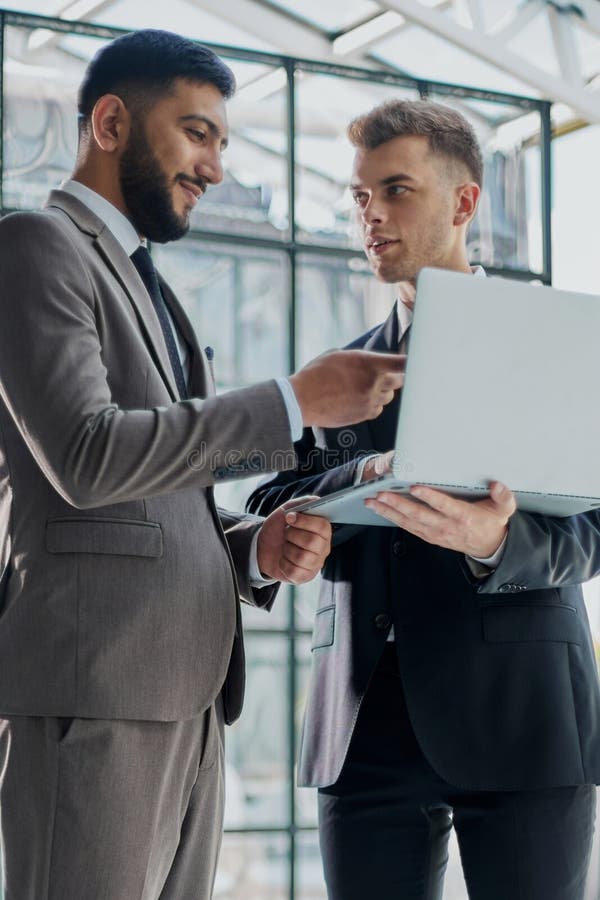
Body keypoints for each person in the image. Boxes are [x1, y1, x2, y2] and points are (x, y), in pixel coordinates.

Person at [0, 30, 405, 900]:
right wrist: (293, 403)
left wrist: (253, 547)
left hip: (189, 702)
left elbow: (153, 501)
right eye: (196, 134)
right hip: (95, 697)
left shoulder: (152, 286)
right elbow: (86, 456)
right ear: (111, 123)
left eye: (221, 142)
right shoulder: (36, 246)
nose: (215, 168)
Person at [247, 99, 600, 900]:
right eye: (360, 196)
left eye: (395, 190)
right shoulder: (336, 373)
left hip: (524, 717)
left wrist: (494, 543)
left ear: (464, 202)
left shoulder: (556, 349)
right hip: (361, 727)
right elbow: (269, 493)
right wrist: (348, 482)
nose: (370, 214)